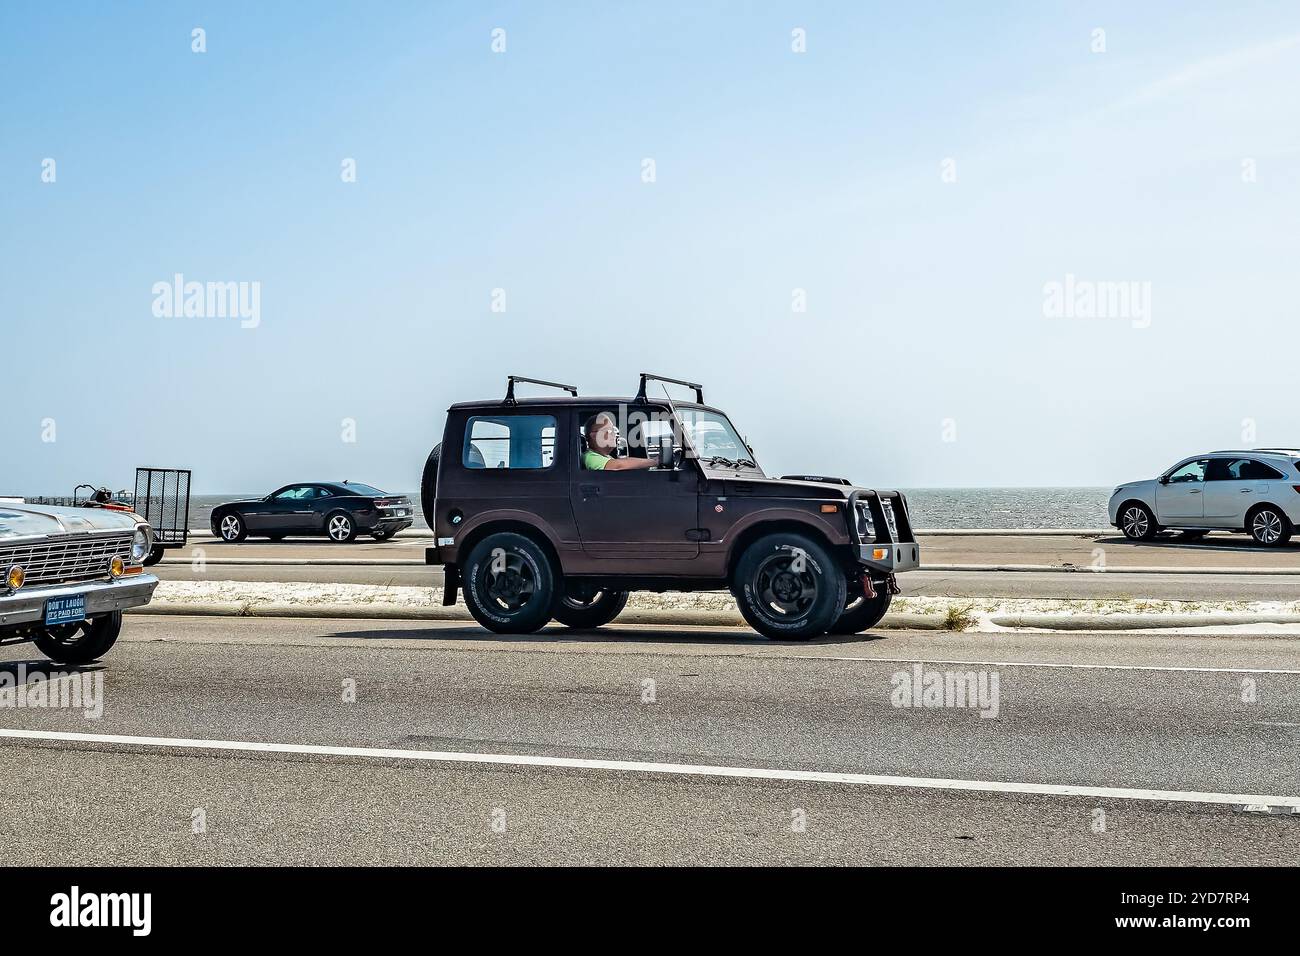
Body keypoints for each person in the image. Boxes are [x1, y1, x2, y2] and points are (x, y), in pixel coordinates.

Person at [583, 411, 656, 471]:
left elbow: (622, 462)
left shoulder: (606, 457)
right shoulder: (590, 457)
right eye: (609, 430)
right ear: (594, 436)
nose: (614, 434)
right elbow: (618, 465)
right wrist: (655, 461)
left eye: (614, 430)